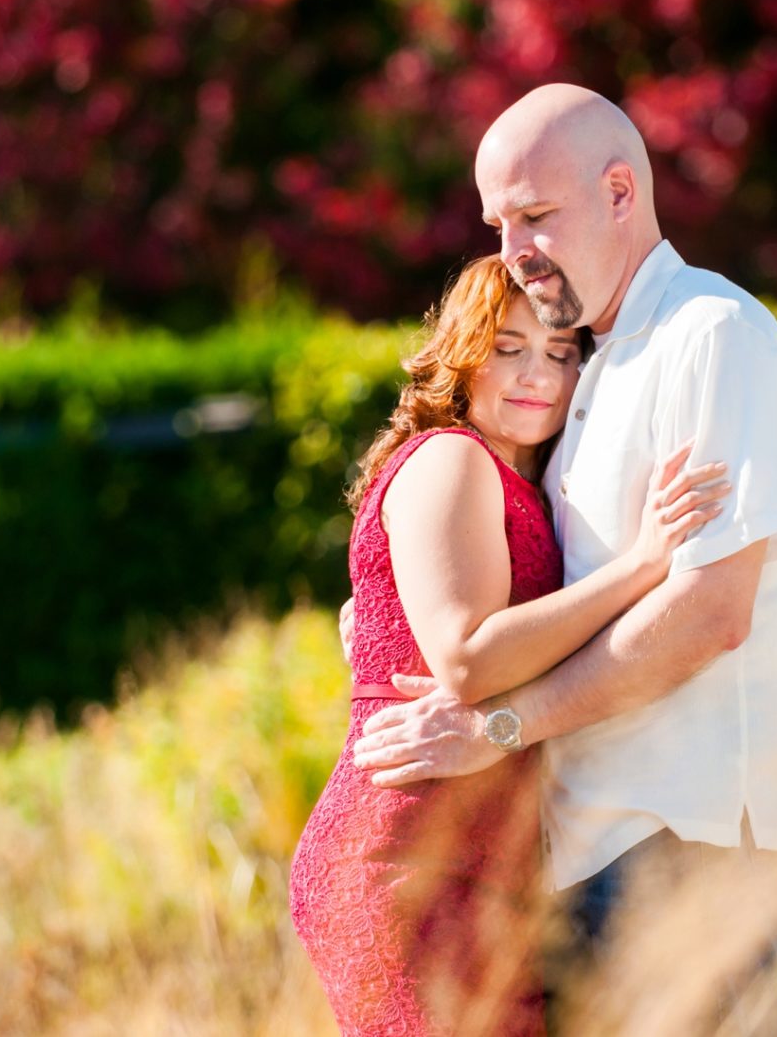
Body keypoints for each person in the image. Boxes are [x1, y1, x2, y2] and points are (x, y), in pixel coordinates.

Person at [349, 84, 777, 1032]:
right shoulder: (589, 365)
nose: (513, 250)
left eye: (536, 214)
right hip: (583, 847)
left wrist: (501, 729)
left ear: (621, 192)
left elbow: (710, 611)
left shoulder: (713, 335)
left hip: (680, 839)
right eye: (498, 223)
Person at [288, 254, 731, 1036]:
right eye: (509, 347)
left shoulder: (528, 482)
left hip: (487, 876)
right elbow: (469, 659)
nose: (539, 376)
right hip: (401, 862)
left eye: (562, 354)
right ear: (463, 349)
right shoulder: (452, 456)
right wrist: (644, 565)